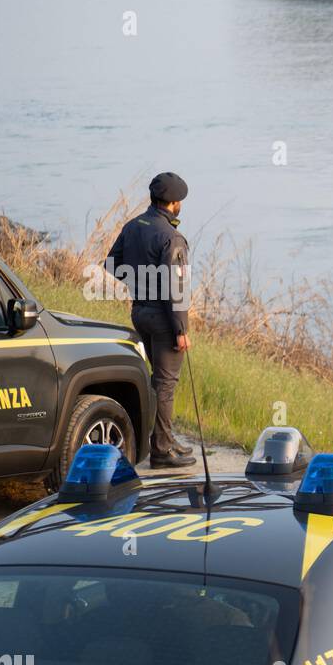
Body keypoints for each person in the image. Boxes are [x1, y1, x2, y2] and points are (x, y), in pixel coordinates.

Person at [107, 172, 195, 468]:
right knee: (166, 384)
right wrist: (181, 330)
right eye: (179, 200)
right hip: (163, 318)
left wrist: (138, 283)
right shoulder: (171, 237)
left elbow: (111, 264)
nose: (180, 204)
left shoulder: (134, 225)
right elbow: (176, 289)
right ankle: (161, 451)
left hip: (139, 313)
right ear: (172, 203)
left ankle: (165, 440)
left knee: (157, 382)